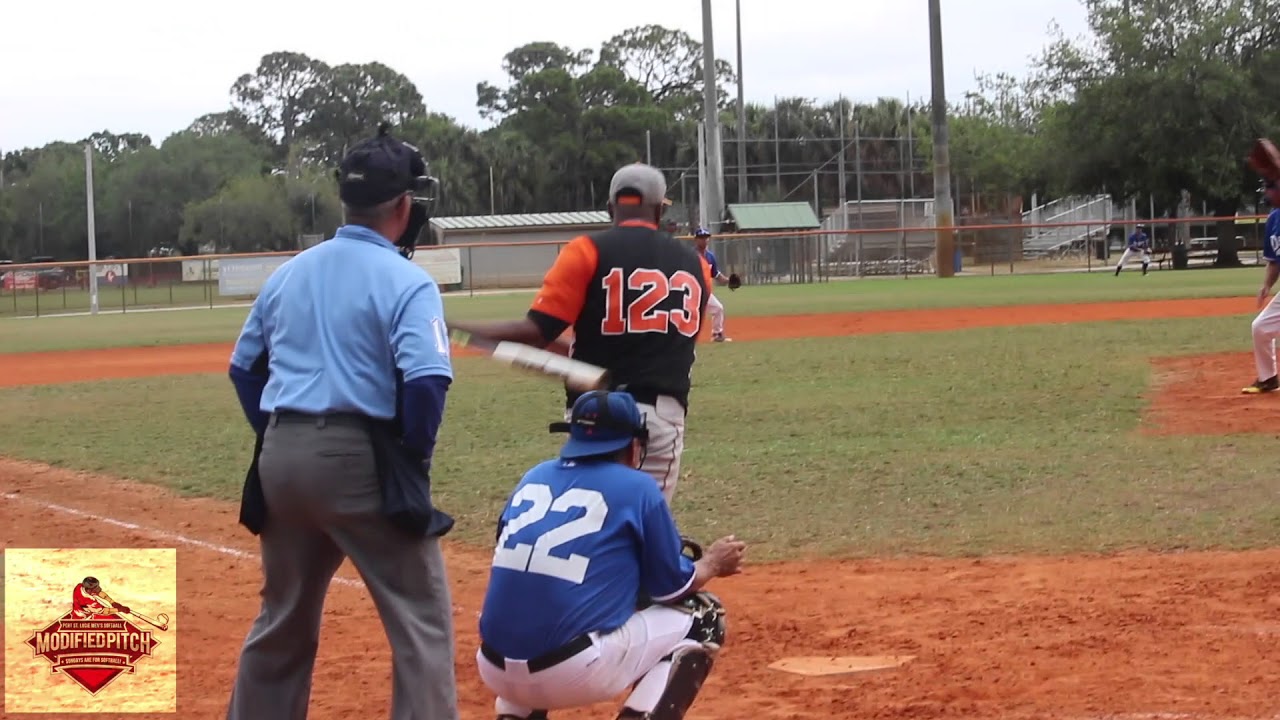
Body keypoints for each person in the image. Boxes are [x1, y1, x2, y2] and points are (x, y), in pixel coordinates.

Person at [224, 125, 460, 720]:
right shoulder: (408, 280)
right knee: (421, 621)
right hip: (359, 461)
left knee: (283, 618)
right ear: (404, 206)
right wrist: (412, 457)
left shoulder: (289, 273)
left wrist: (277, 435)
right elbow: (426, 382)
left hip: (281, 460)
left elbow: (245, 369)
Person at [475, 390, 747, 720]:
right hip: (573, 673)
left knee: (540, 611)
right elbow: (672, 588)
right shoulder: (637, 487)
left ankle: (514, 715)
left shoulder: (533, 477)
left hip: (492, 668)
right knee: (704, 616)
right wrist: (713, 563)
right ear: (634, 445)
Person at [450, 163, 713, 503]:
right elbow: (668, 345)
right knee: (643, 522)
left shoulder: (586, 250)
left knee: (591, 515)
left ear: (610, 208)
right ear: (660, 210)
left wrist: (459, 329)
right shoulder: (697, 266)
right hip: (657, 418)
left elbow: (536, 332)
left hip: (593, 413)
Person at [1243, 180, 1280, 394]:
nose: (1266, 192)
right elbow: (1274, 261)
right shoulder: (1273, 219)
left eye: (1270, 186)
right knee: (1261, 327)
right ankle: (1268, 378)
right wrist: (1266, 285)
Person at [692, 227, 732, 342]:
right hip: (692, 292)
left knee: (718, 308)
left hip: (705, 292)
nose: (704, 240)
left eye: (706, 238)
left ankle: (717, 334)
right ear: (696, 239)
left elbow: (715, 274)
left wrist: (727, 280)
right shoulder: (691, 255)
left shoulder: (710, 257)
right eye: (701, 238)